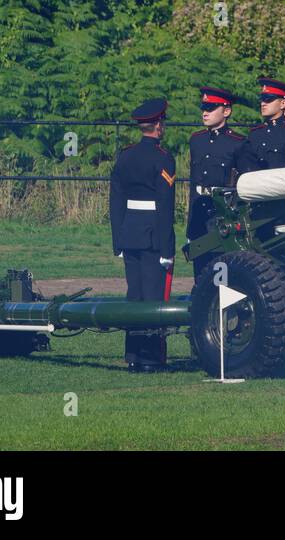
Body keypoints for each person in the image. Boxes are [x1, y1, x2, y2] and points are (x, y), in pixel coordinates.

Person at [109, 98, 176, 372]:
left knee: (134, 295)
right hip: (152, 235)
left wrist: (118, 239)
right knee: (152, 297)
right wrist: (167, 248)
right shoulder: (163, 158)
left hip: (130, 232)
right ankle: (151, 358)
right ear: (158, 125)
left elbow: (115, 201)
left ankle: (133, 355)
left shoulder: (125, 156)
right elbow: (165, 207)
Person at [186, 87, 247, 249]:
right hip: (198, 213)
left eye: (211, 109)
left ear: (226, 111)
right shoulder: (196, 140)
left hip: (223, 213)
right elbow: (194, 183)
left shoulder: (238, 142)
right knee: (200, 269)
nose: (205, 113)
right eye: (203, 108)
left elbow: (245, 181)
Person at [238, 77, 285, 172]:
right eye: (262, 100)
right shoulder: (255, 133)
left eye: (268, 99)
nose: (263, 104)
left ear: (283, 104)